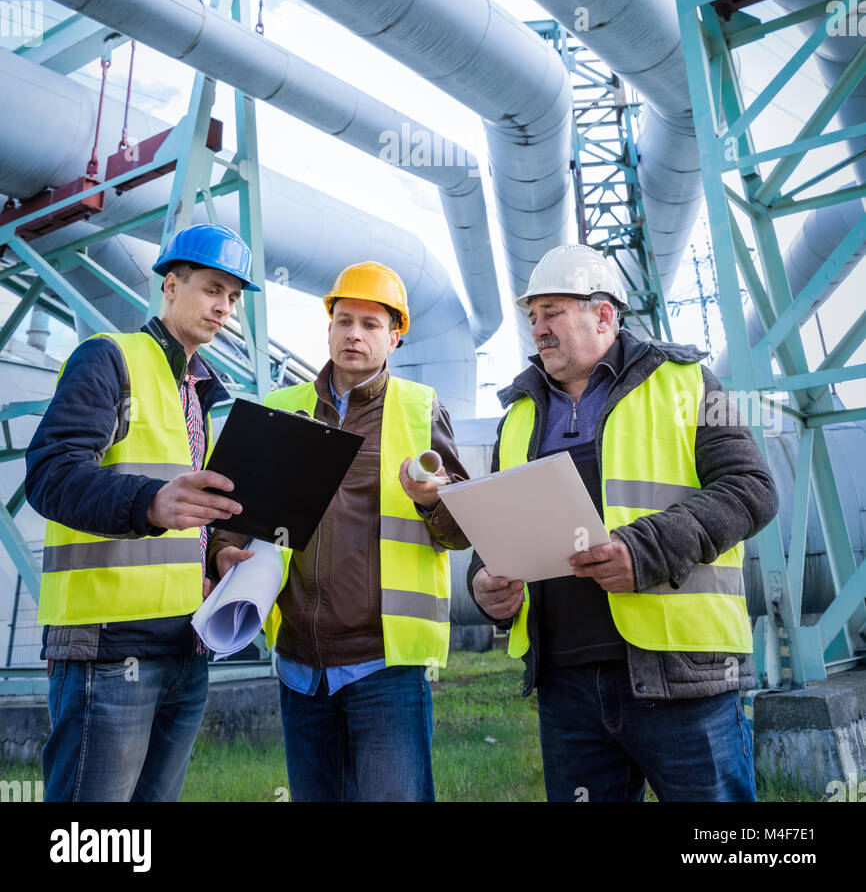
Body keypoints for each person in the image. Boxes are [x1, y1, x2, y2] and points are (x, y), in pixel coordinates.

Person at [469, 243, 779, 803]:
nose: (537, 329)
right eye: (532, 317)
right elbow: (495, 523)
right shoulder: (517, 413)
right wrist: (486, 584)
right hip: (566, 685)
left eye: (553, 313)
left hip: (681, 674)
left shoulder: (690, 383)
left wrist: (643, 551)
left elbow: (751, 489)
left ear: (605, 315)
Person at [210, 260, 470, 802]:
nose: (354, 334)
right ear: (328, 328)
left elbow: (461, 530)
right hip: (300, 665)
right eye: (344, 320)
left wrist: (433, 502)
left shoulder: (421, 410)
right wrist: (224, 551)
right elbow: (232, 514)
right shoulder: (281, 410)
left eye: (371, 324)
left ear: (395, 337)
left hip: (385, 665)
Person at [25, 222, 260, 802]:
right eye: (212, 289)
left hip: (185, 645)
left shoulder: (202, 394)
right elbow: (49, 475)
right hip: (108, 647)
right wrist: (149, 502)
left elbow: (186, 522)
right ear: (171, 286)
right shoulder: (108, 359)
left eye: (232, 297)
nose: (223, 307)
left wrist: (220, 554)